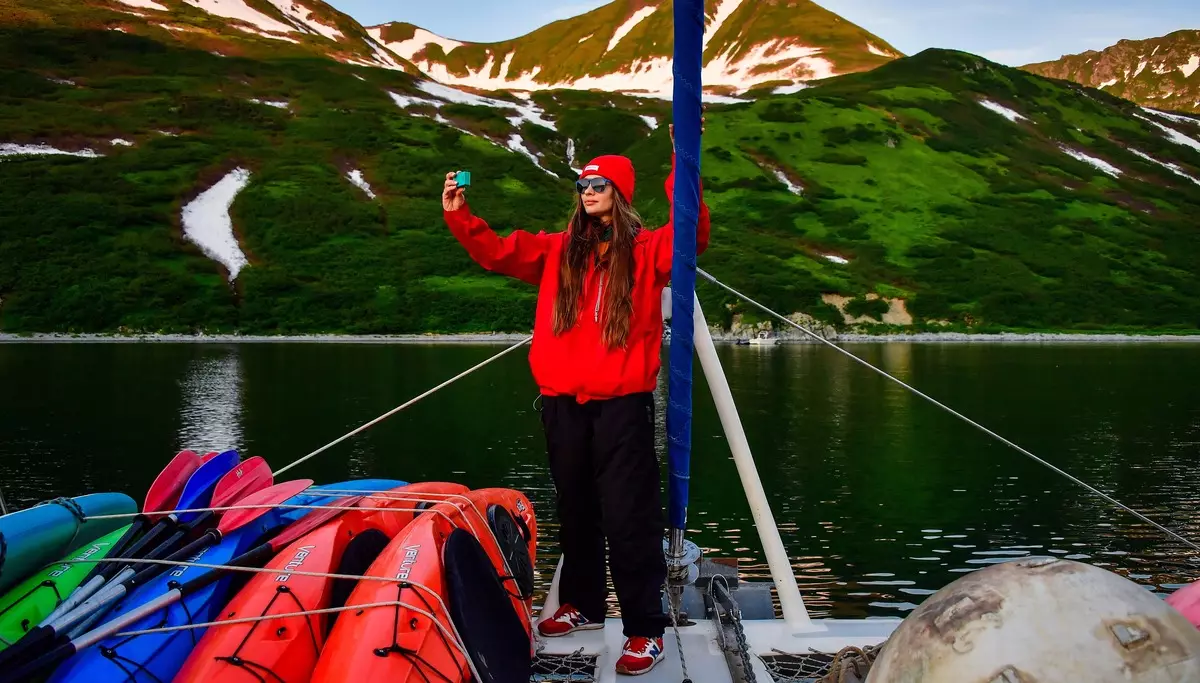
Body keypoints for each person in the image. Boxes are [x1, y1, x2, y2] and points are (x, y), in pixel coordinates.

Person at [441, 125, 710, 676]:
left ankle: (643, 629)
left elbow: (692, 231)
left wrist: (685, 155)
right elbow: (495, 252)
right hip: (563, 402)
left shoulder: (648, 249)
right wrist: (459, 215)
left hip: (621, 406)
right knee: (577, 510)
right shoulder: (557, 250)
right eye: (583, 181)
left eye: (600, 182)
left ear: (621, 191)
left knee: (629, 517)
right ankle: (584, 606)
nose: (588, 189)